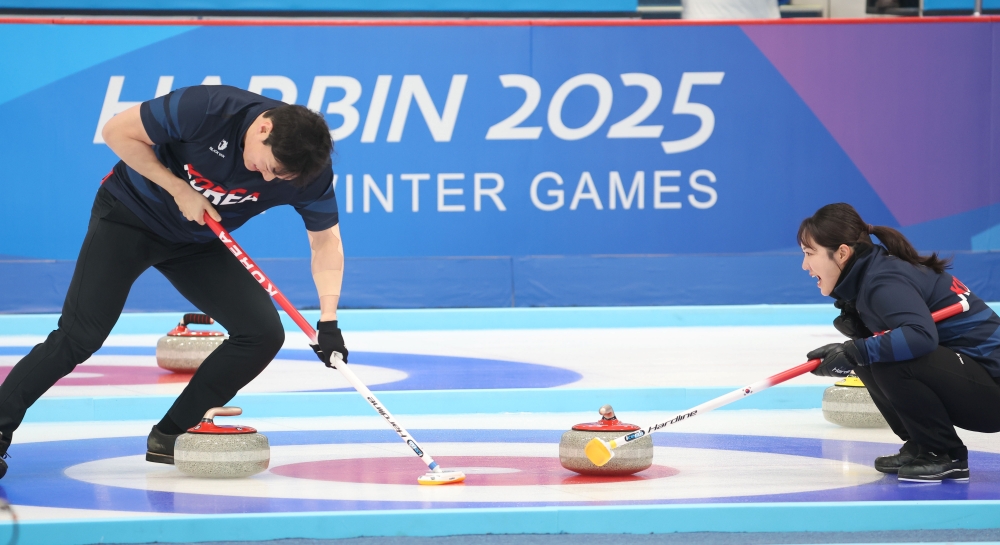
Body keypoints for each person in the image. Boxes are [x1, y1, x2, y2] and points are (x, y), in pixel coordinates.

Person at [0, 85, 349, 478]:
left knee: (262, 333)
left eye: (281, 176)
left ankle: (173, 434)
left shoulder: (305, 171)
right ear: (263, 128)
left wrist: (329, 320)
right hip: (129, 216)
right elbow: (117, 130)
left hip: (198, 239)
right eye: (270, 166)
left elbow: (325, 242)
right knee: (80, 335)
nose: (269, 178)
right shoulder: (209, 109)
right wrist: (178, 188)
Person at [799, 203, 1000, 483]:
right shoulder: (873, 274)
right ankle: (921, 443)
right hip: (980, 384)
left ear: (842, 253)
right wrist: (853, 350)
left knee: (881, 354)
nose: (805, 265)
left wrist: (855, 351)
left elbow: (920, 336)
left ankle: (943, 453)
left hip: (993, 392)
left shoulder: (884, 280)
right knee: (870, 353)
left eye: (810, 254)